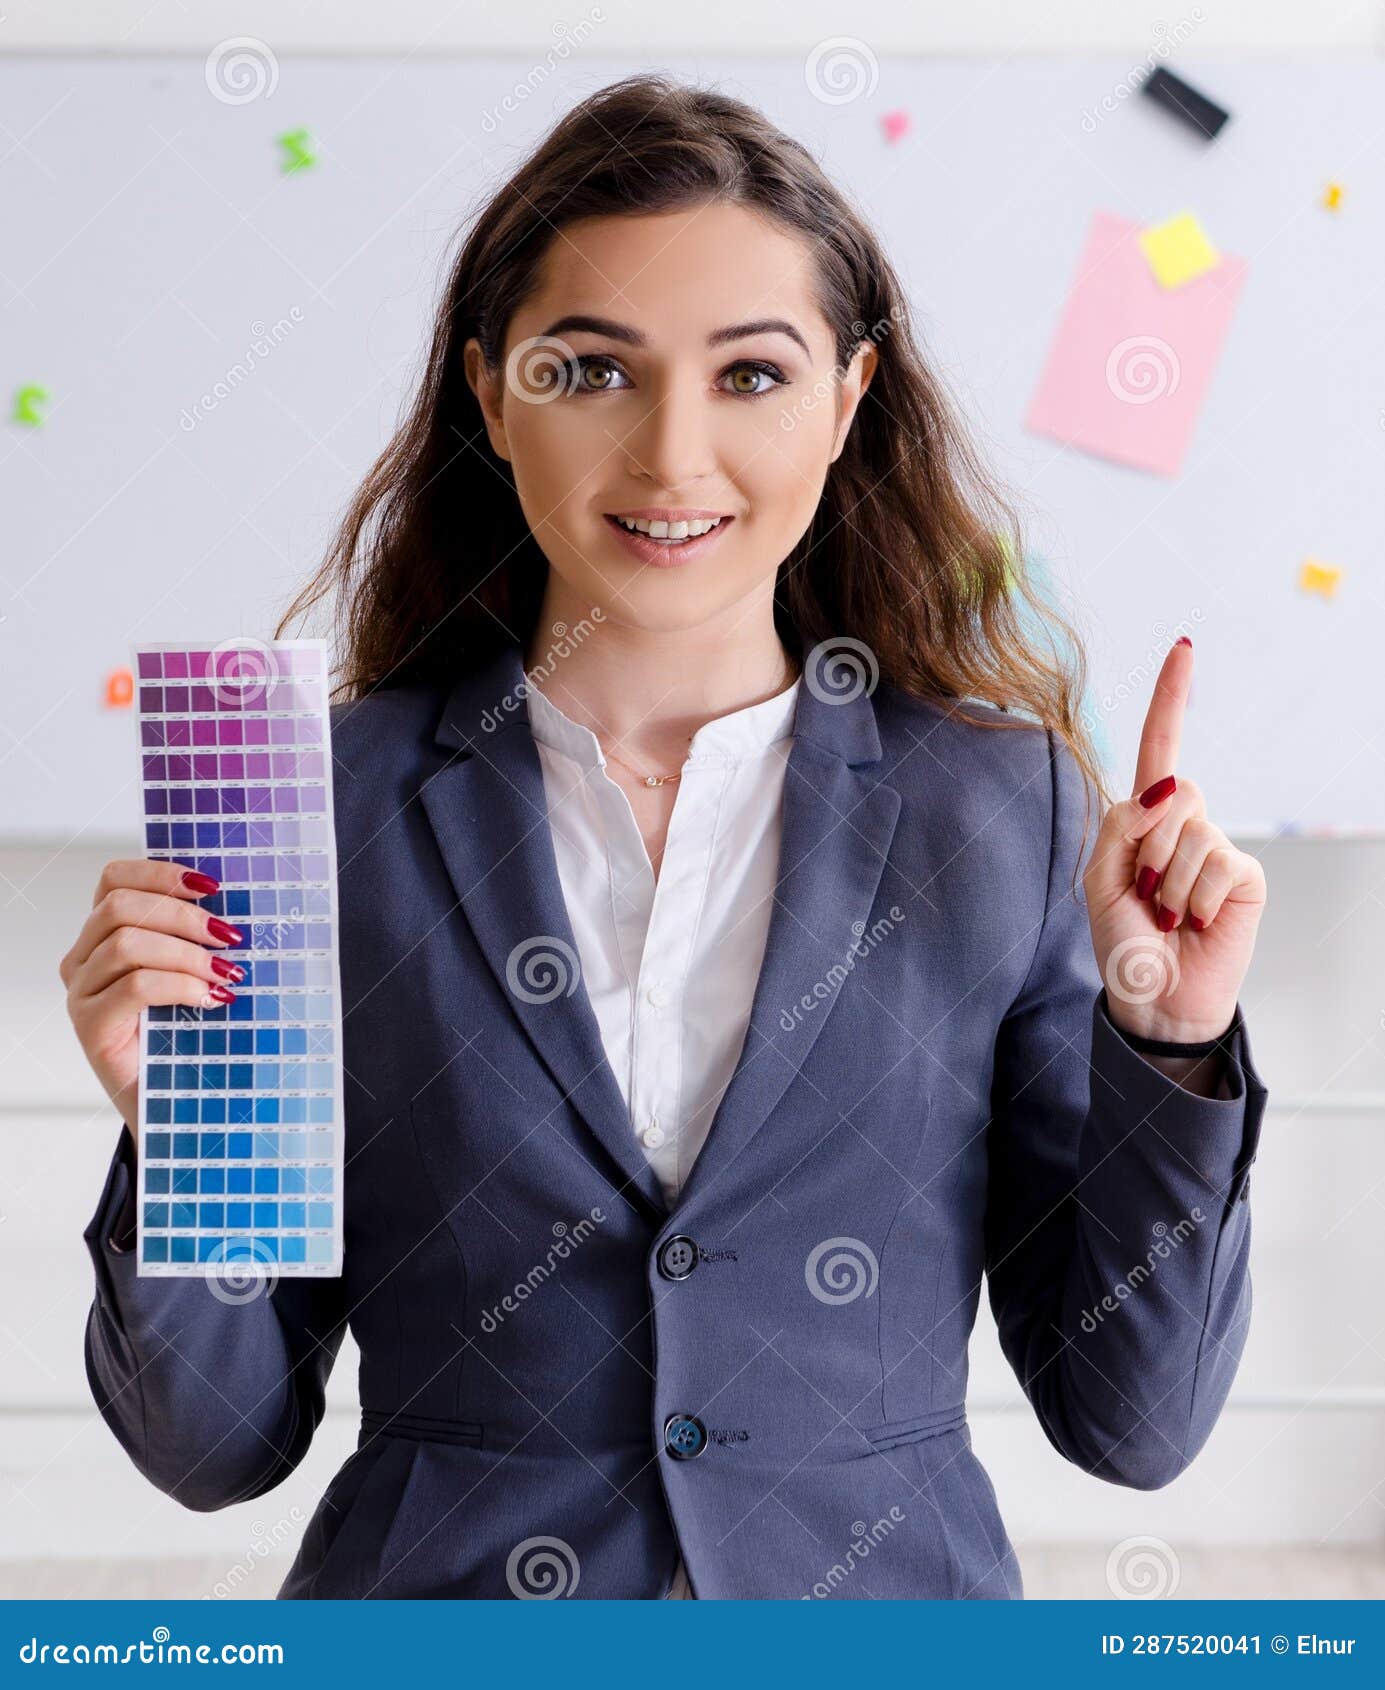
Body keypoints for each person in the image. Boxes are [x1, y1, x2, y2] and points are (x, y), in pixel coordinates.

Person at [64, 74, 1267, 1600]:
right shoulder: (302, 807)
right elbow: (210, 1445)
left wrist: (1169, 1046)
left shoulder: (1005, 809)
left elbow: (1135, 1425)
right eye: (591, 371)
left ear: (848, 398)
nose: (670, 456)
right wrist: (172, 1125)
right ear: (490, 395)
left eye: (749, 376)